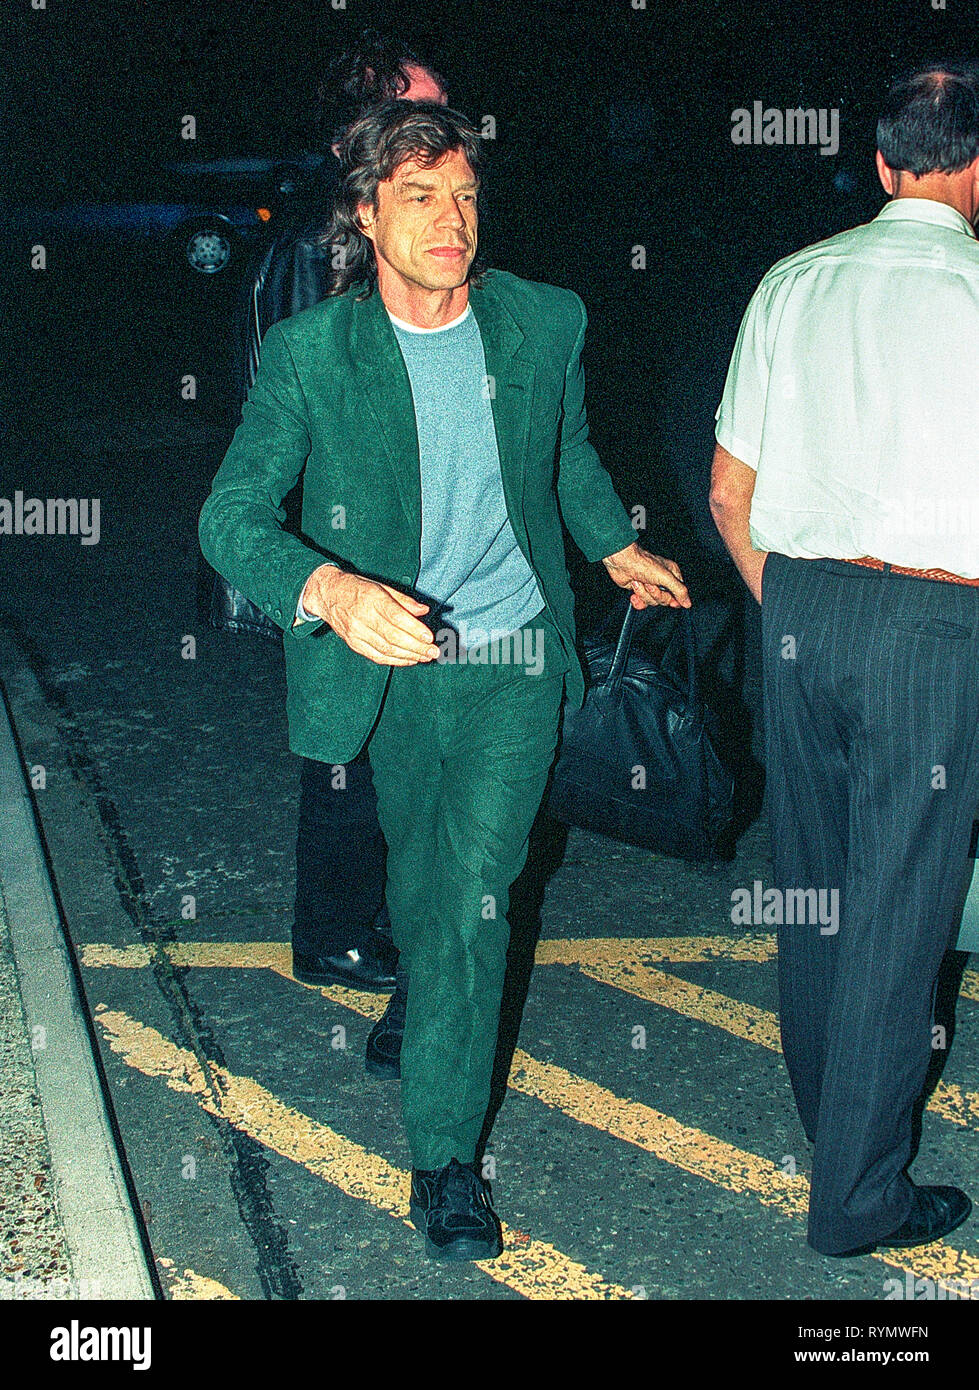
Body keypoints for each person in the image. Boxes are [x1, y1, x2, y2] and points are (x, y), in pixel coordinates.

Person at [200, 100, 689, 1260]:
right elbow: (228, 517)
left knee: (475, 888)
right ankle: (426, 1001)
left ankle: (444, 1157)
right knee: (424, 885)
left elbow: (562, 454)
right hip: (392, 668)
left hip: (514, 656)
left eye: (465, 195)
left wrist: (609, 540)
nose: (452, 221)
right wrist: (329, 589)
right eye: (419, 197)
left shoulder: (543, 321)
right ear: (366, 214)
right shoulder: (312, 353)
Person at [710, 62, 979, 1257]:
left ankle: (835, 1126)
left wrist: (795, 605)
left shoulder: (791, 281)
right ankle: (859, 1195)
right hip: (938, 623)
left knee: (816, 887)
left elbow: (730, 493)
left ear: (880, 162)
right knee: (899, 907)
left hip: (801, 610)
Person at [213, 32, 449, 998]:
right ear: (370, 123)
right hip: (332, 534)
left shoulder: (361, 226)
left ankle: (346, 925)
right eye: (424, 112)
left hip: (352, 526)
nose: (448, 131)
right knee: (347, 734)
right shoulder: (321, 243)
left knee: (367, 729)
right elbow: (295, 408)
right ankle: (341, 931)